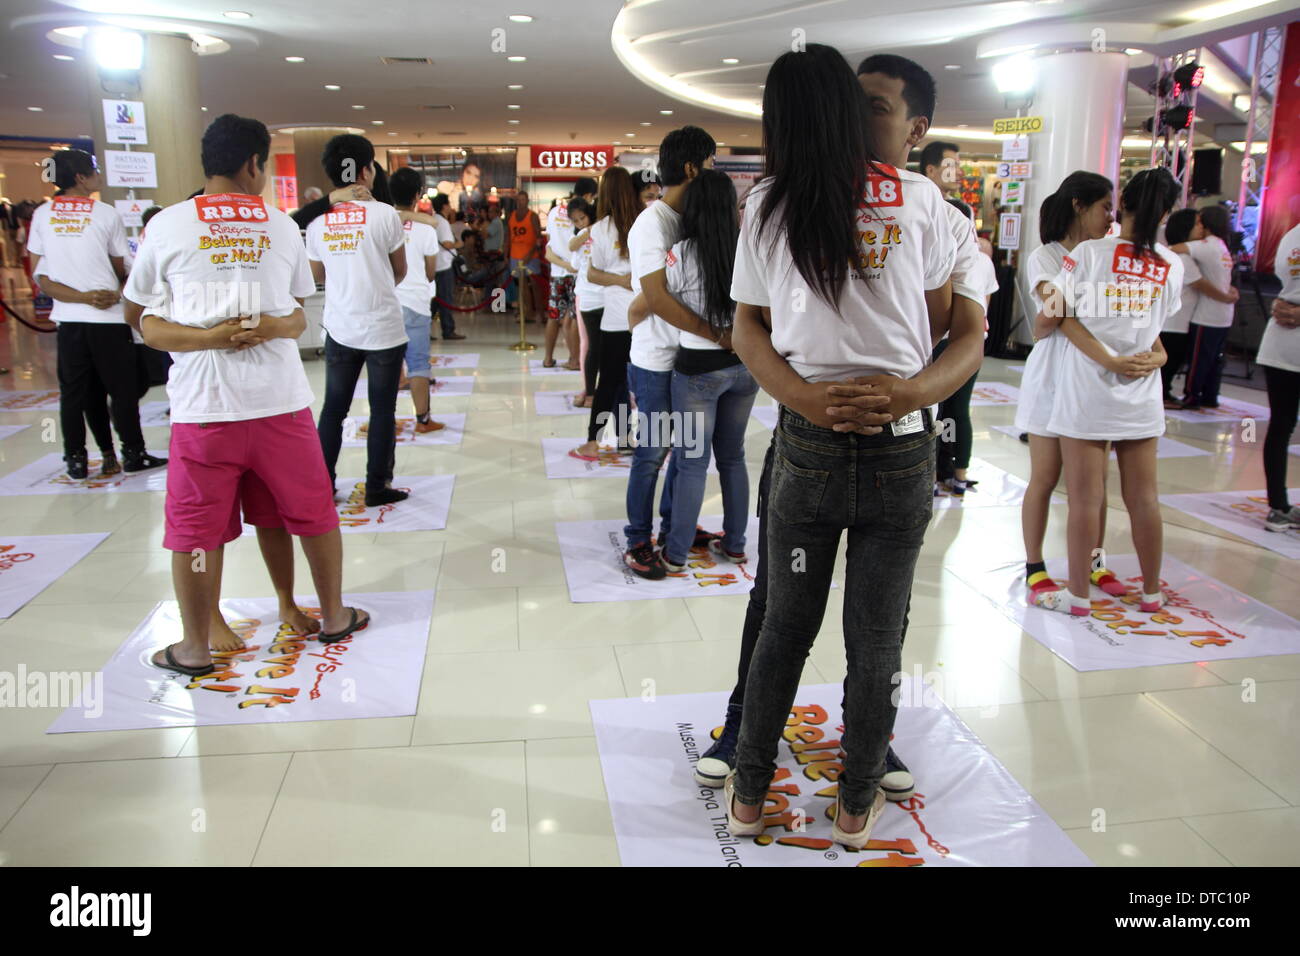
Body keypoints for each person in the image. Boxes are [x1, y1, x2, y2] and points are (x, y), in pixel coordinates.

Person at [724, 45, 980, 848]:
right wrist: (904, 387)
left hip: (810, 446)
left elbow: (745, 328)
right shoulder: (921, 200)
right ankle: (856, 805)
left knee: (784, 627)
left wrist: (802, 392)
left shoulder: (768, 204)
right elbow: (944, 328)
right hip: (901, 447)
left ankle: (747, 792)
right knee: (878, 640)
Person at [122, 113, 371, 674]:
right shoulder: (282, 226)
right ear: (253, 164)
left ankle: (193, 646)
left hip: (203, 409)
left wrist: (207, 337)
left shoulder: (166, 224)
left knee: (195, 530)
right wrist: (261, 326)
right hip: (279, 404)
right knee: (308, 512)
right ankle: (332, 614)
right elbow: (296, 313)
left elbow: (138, 317)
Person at [1035, 167, 1183, 616]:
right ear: (1167, 211)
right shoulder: (1172, 264)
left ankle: (1078, 596)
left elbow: (1054, 315)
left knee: (1085, 499)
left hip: (1088, 392)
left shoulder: (1089, 254)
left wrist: (1105, 358)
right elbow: (1157, 329)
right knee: (1144, 499)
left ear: (1124, 207)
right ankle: (1153, 593)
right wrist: (1151, 357)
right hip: (1141, 393)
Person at [1015, 170, 1130, 602]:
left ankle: (1094, 564)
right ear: (1079, 205)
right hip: (1051, 375)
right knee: (1045, 475)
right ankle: (1035, 565)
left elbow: (1089, 311)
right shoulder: (1045, 256)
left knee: (1095, 483)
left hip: (1094, 374)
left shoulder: (1105, 254)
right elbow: (1051, 314)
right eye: (1104, 207)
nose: (1111, 217)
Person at [26, 148, 165, 479]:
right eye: (94, 170)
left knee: (76, 392)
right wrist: (96, 295)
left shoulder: (43, 215)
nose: (99, 175)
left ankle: (76, 458)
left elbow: (40, 275)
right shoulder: (105, 214)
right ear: (80, 177)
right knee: (122, 390)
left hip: (69, 320)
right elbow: (120, 265)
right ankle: (133, 453)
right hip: (107, 317)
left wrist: (79, 297)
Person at [620, 126, 718, 578]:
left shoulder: (694, 216)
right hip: (657, 360)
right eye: (712, 163)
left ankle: (673, 525)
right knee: (653, 451)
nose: (715, 172)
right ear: (693, 167)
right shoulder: (652, 224)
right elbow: (654, 299)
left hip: (690, 360)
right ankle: (638, 538)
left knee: (688, 451)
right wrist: (715, 333)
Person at [658, 168, 759, 573]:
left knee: (691, 461)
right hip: (746, 368)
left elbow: (661, 300)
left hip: (696, 372)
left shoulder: (681, 253)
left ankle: (676, 553)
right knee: (733, 458)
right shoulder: (751, 251)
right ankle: (735, 544)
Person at [306, 133, 411, 508]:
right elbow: (400, 271)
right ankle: (377, 486)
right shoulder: (385, 215)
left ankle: (322, 485)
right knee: (383, 410)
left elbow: (317, 276)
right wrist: (374, 281)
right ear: (367, 170)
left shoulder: (319, 222)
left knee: (333, 410)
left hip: (340, 328)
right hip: (383, 327)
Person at [570, 168, 640, 459]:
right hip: (644, 315)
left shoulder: (599, 230)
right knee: (630, 381)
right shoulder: (643, 224)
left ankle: (592, 440)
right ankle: (627, 437)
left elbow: (593, 274)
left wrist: (617, 280)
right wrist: (626, 280)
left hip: (615, 317)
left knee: (609, 381)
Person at [389, 167, 447, 434]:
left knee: (385, 365)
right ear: (417, 195)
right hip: (415, 303)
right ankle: (423, 420)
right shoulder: (425, 229)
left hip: (386, 303)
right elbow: (431, 271)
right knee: (419, 363)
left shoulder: (381, 221)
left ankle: (384, 419)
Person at [1176, 205, 1240, 409]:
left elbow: (1176, 248)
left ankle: (1192, 395)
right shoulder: (1222, 246)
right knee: (1215, 359)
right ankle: (1210, 395)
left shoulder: (1206, 245)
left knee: (1198, 359)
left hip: (1207, 313)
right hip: (1224, 315)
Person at [1259, 221, 1300, 531]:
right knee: (1281, 426)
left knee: (1280, 426)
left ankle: (1278, 506)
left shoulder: (1290, 235)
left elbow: (1284, 278)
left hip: (1280, 342)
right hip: (1286, 343)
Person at [541, 178, 595, 368]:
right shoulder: (586, 215)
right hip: (577, 274)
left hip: (557, 272)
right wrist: (570, 265)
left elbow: (548, 249)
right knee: (573, 319)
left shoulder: (554, 212)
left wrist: (562, 263)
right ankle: (574, 359)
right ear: (589, 196)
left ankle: (548, 358)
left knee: (554, 316)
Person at [567, 197, 599, 408]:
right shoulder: (582, 234)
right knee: (586, 343)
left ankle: (606, 388)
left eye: (583, 218)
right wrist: (587, 232)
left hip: (608, 295)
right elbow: (574, 256)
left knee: (607, 346)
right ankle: (587, 388)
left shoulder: (605, 230)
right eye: (576, 220)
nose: (580, 222)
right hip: (585, 294)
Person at [430, 193, 466, 340]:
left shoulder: (434, 220)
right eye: (449, 204)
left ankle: (426, 329)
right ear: (444, 206)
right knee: (445, 298)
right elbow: (447, 243)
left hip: (435, 264)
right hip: (444, 265)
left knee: (436, 300)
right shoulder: (442, 222)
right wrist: (459, 244)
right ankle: (448, 330)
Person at [507, 191, 545, 324]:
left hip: (531, 257)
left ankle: (541, 314)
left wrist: (531, 253)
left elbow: (539, 238)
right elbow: (508, 236)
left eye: (523, 199)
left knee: (535, 286)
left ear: (527, 201)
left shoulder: (533, 216)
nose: (520, 202)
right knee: (522, 286)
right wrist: (506, 253)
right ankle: (527, 313)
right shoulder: (511, 216)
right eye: (518, 200)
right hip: (515, 256)